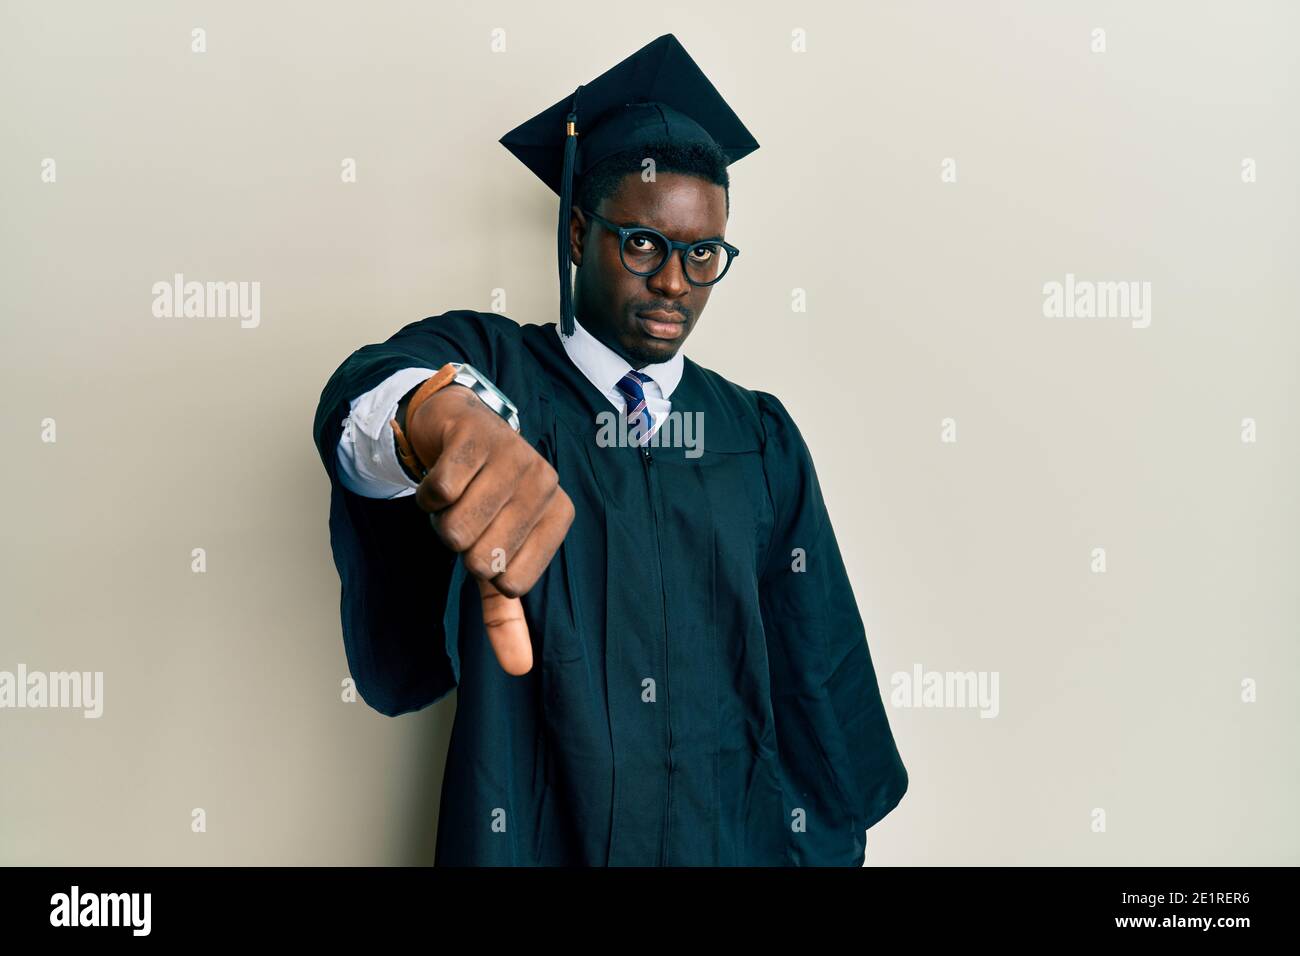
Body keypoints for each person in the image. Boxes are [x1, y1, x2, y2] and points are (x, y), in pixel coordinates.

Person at [311, 33, 908, 866]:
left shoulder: (757, 436)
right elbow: (372, 397)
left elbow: (818, 666)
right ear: (579, 231)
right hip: (537, 834)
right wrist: (436, 417)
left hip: (729, 839)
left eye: (704, 255)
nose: (675, 282)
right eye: (643, 244)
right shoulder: (497, 376)